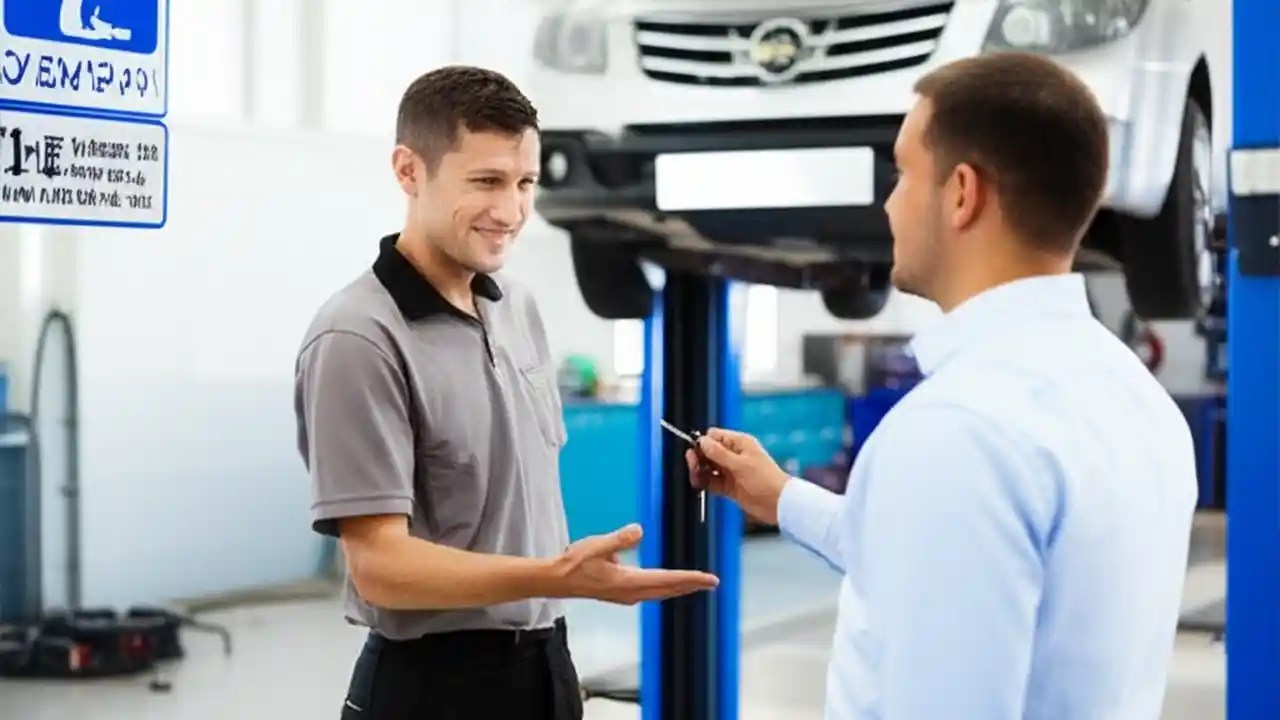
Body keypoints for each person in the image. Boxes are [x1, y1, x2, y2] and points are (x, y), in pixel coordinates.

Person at [688, 52, 1198, 719]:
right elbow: (948, 555)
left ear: (963, 193)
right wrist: (782, 498)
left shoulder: (958, 428)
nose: (890, 203)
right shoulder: (1135, 399)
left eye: (903, 173)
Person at [293, 65, 718, 720]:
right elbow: (378, 564)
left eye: (525, 183)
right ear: (409, 171)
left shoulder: (517, 307)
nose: (512, 211)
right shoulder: (358, 336)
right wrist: (553, 576)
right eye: (486, 182)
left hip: (546, 669)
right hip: (435, 687)